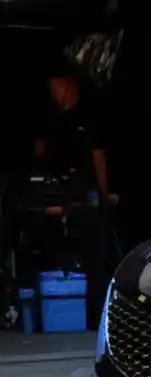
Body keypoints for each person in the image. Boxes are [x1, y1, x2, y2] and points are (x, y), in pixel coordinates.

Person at [31, 56, 117, 330]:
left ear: (67, 84)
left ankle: (95, 319)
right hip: (60, 193)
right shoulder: (54, 117)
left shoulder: (89, 115)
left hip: (87, 196)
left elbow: (99, 156)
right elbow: (42, 151)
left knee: (97, 258)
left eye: (56, 86)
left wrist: (104, 195)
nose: (53, 92)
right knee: (58, 253)